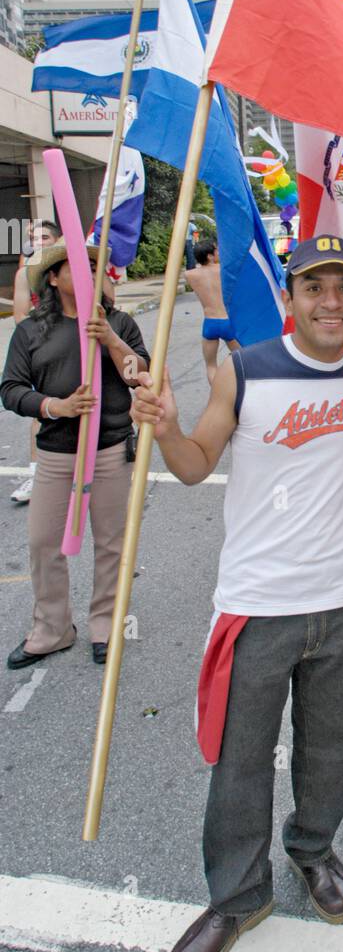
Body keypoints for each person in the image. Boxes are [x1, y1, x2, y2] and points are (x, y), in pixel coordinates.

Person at [132, 236, 343, 952]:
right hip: (257, 604)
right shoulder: (245, 369)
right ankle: (237, 897)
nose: (330, 302)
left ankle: (312, 850)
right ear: (292, 297)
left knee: (336, 747)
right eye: (314, 287)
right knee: (240, 761)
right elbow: (192, 466)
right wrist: (168, 425)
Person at [1, 242, 149, 668]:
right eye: (79, 266)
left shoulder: (118, 322)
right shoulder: (32, 330)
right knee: (43, 542)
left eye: (95, 267)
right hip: (56, 452)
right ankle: (51, 629)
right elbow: (11, 389)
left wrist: (111, 340)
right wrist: (55, 406)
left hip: (110, 449)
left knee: (112, 543)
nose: (89, 273)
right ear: (53, 277)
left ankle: (105, 624)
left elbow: (141, 376)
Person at [10, 219, 63, 506]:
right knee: (40, 410)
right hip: (42, 347)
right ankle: (36, 473)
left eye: (43, 236)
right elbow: (20, 317)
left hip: (78, 344)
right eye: (33, 237)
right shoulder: (24, 274)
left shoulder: (73, 267)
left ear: (57, 240)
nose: (37, 241)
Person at [184, 238, 239, 386]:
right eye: (216, 250)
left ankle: (217, 396)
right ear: (209, 255)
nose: (218, 253)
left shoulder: (190, 275)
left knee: (211, 365)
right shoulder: (223, 270)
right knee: (244, 361)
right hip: (228, 321)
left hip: (210, 323)